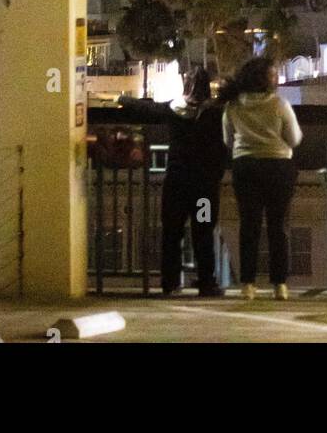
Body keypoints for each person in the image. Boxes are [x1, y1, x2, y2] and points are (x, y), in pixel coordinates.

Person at [123, 67, 227, 297]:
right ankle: (206, 282)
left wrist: (122, 99)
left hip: (177, 182)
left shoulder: (173, 109)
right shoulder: (215, 114)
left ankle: (170, 282)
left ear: (186, 85)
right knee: (203, 232)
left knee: (172, 231)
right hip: (204, 186)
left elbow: (147, 108)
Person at [221, 56, 302, 300]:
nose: (276, 79)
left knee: (249, 226)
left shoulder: (233, 106)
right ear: (265, 79)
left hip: (245, 167)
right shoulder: (279, 104)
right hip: (278, 166)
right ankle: (280, 284)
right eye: (273, 75)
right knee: (279, 226)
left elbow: (228, 139)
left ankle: (248, 284)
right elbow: (295, 138)